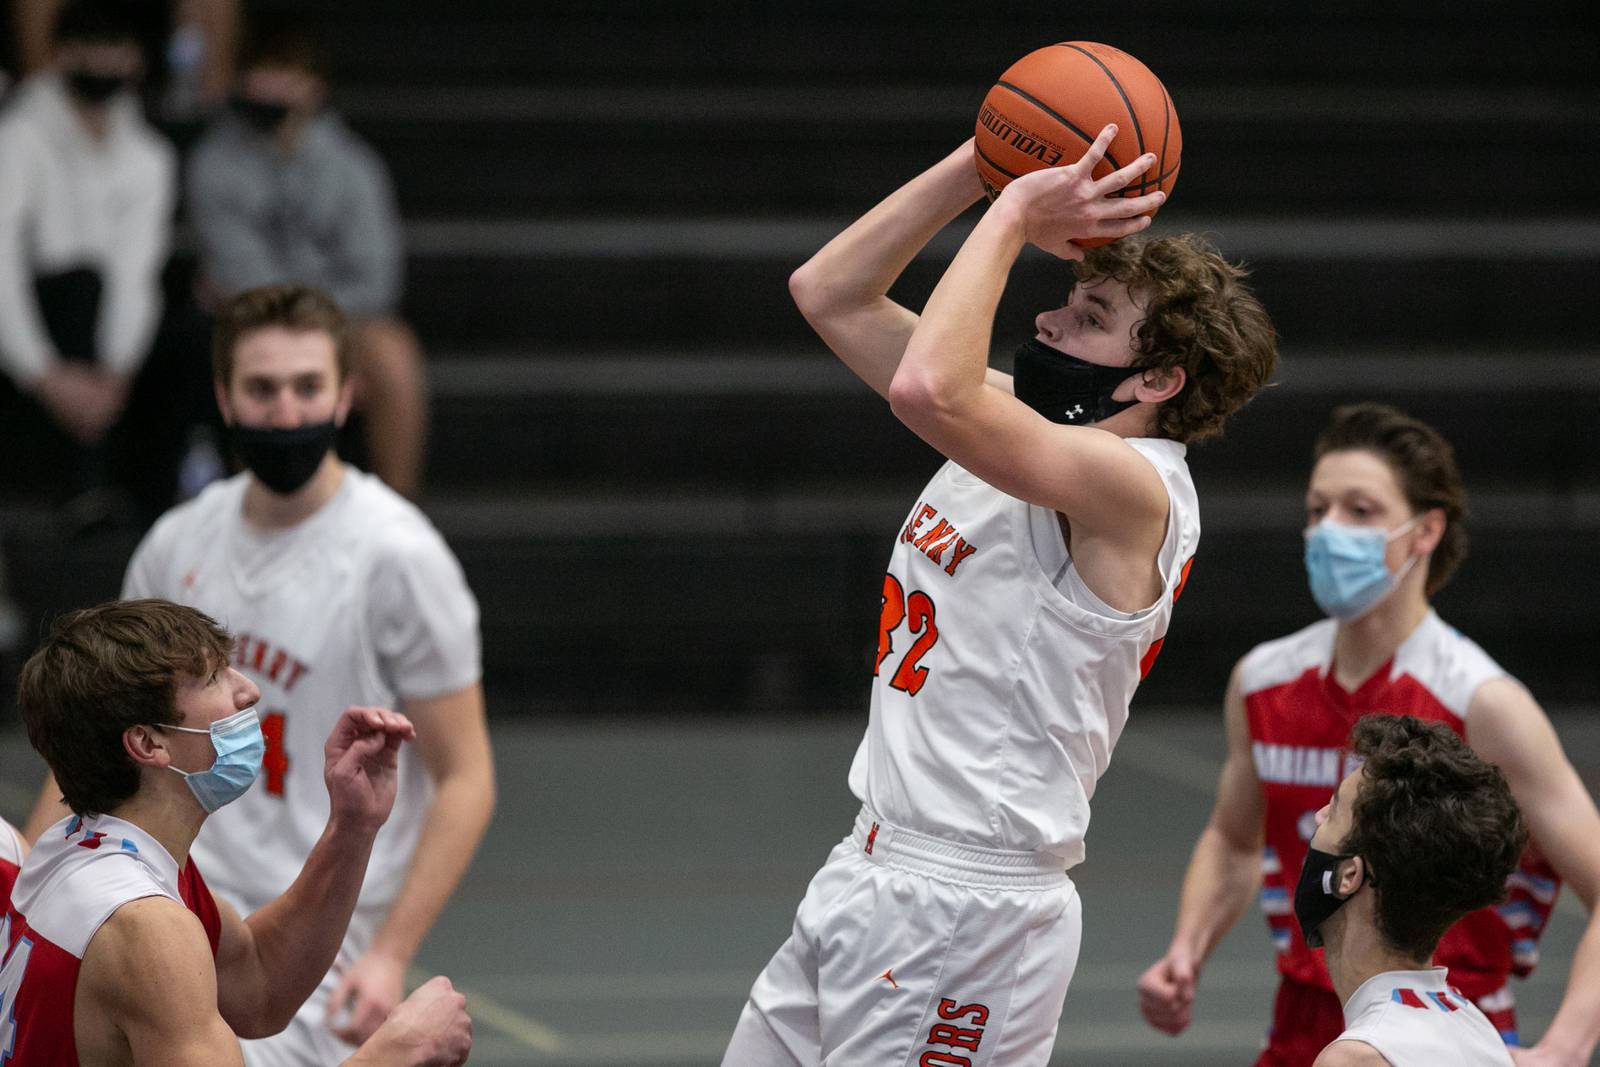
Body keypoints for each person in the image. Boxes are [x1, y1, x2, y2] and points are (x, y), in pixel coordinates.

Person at [722, 126, 1278, 1064]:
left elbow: (925, 388)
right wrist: (985, 166)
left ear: (1158, 378)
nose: (1051, 321)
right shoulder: (1018, 421)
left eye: (1091, 315)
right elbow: (829, 292)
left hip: (968, 904)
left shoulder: (1136, 489)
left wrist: (1015, 211)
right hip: (870, 863)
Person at [24, 284, 495, 1066]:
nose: (285, 411)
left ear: (346, 393)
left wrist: (384, 936)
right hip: (164, 908)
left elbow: (465, 775)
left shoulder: (400, 555)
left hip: (287, 931)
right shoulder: (179, 542)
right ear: (225, 396)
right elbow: (91, 722)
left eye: (307, 386)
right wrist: (397, 1052)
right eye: (263, 388)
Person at [1137, 403, 1600, 1066]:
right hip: (1307, 1017)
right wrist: (1189, 946)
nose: (1330, 529)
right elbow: (1234, 840)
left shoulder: (1482, 701)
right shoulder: (1263, 680)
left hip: (1444, 1023)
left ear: (1426, 530)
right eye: (1317, 509)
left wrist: (1565, 1047)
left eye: (1359, 510)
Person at [1, 597, 471, 1065]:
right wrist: (400, 1051)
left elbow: (259, 986)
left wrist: (353, 824)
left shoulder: (86, 846)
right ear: (147, 742)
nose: (249, 691)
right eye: (213, 678)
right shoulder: (144, 925)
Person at [186, 22, 428, 498]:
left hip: (342, 321)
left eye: (284, 78)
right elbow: (239, 277)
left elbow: (377, 277)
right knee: (255, 352)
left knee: (393, 354)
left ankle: (399, 517)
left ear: (314, 89)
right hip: (252, 320)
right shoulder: (213, 163)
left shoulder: (354, 166)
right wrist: (300, 327)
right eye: (260, 77)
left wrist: (320, 329)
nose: (269, 92)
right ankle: (259, 514)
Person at [0, 0, 176, 499]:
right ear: (59, 55)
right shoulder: (15, 138)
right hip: (24, 344)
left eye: (113, 52)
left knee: (181, 329)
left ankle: (144, 503)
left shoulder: (149, 157)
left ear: (136, 60)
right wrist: (42, 373)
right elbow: (1, 264)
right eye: (87, 52)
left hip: (102, 358)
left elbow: (136, 272)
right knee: (78, 283)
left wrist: (115, 373)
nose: (100, 66)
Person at [1300, 714, 1526, 1067]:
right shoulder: (1475, 1025)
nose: (1318, 816)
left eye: (1334, 811)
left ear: (1348, 876)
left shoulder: (1360, 1057)